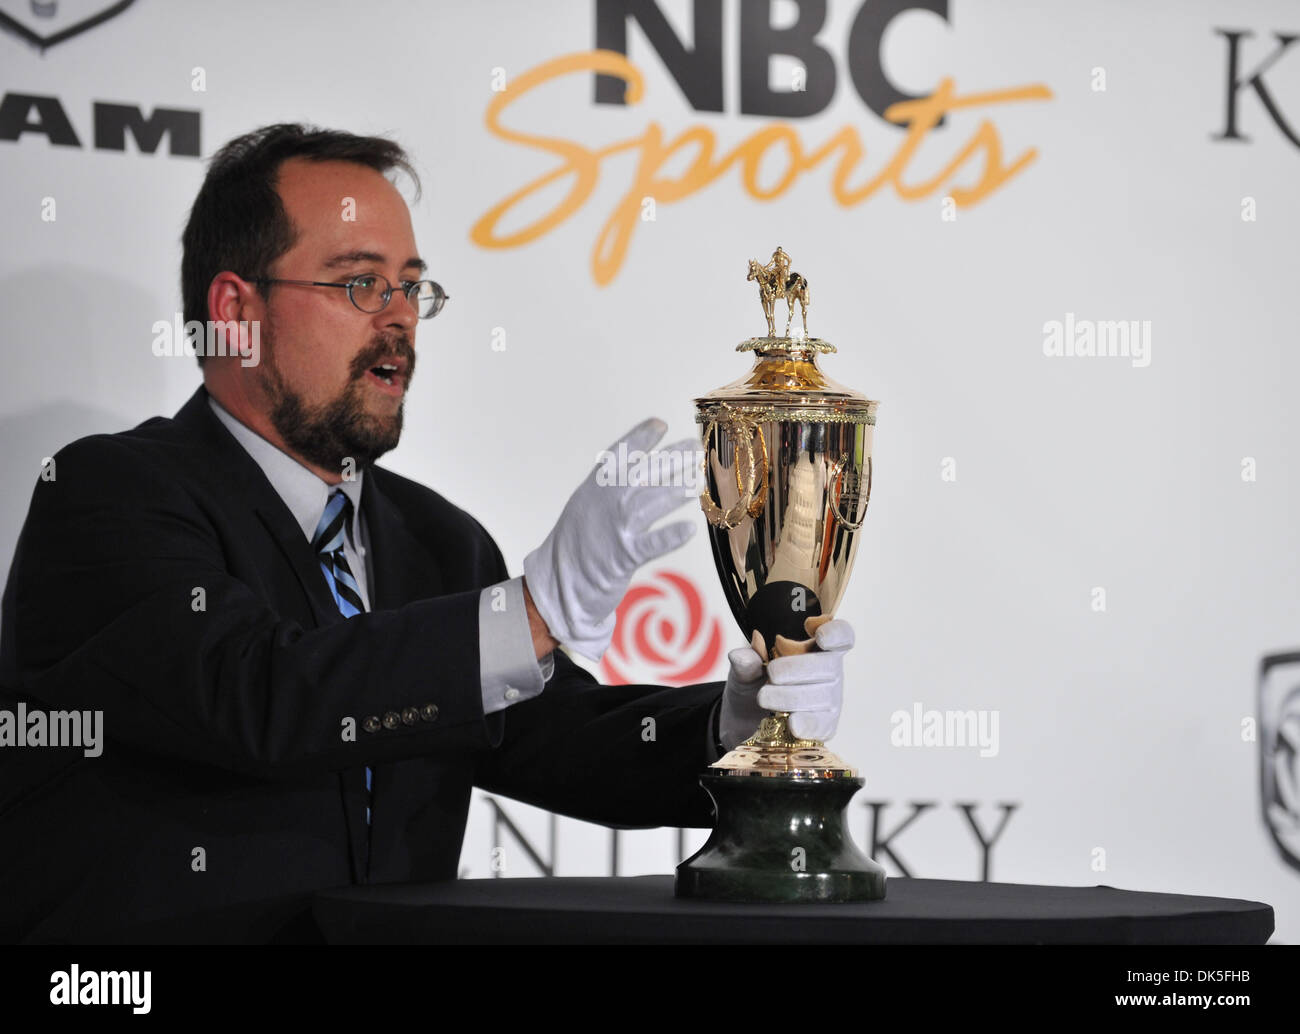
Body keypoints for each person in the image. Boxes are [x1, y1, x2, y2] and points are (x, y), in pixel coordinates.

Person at [0, 124, 855, 944]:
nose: (400, 319)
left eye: (413, 286)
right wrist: (532, 612)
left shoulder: (436, 540)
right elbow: (259, 697)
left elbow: (554, 739)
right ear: (235, 309)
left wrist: (732, 728)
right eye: (359, 283)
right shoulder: (106, 496)